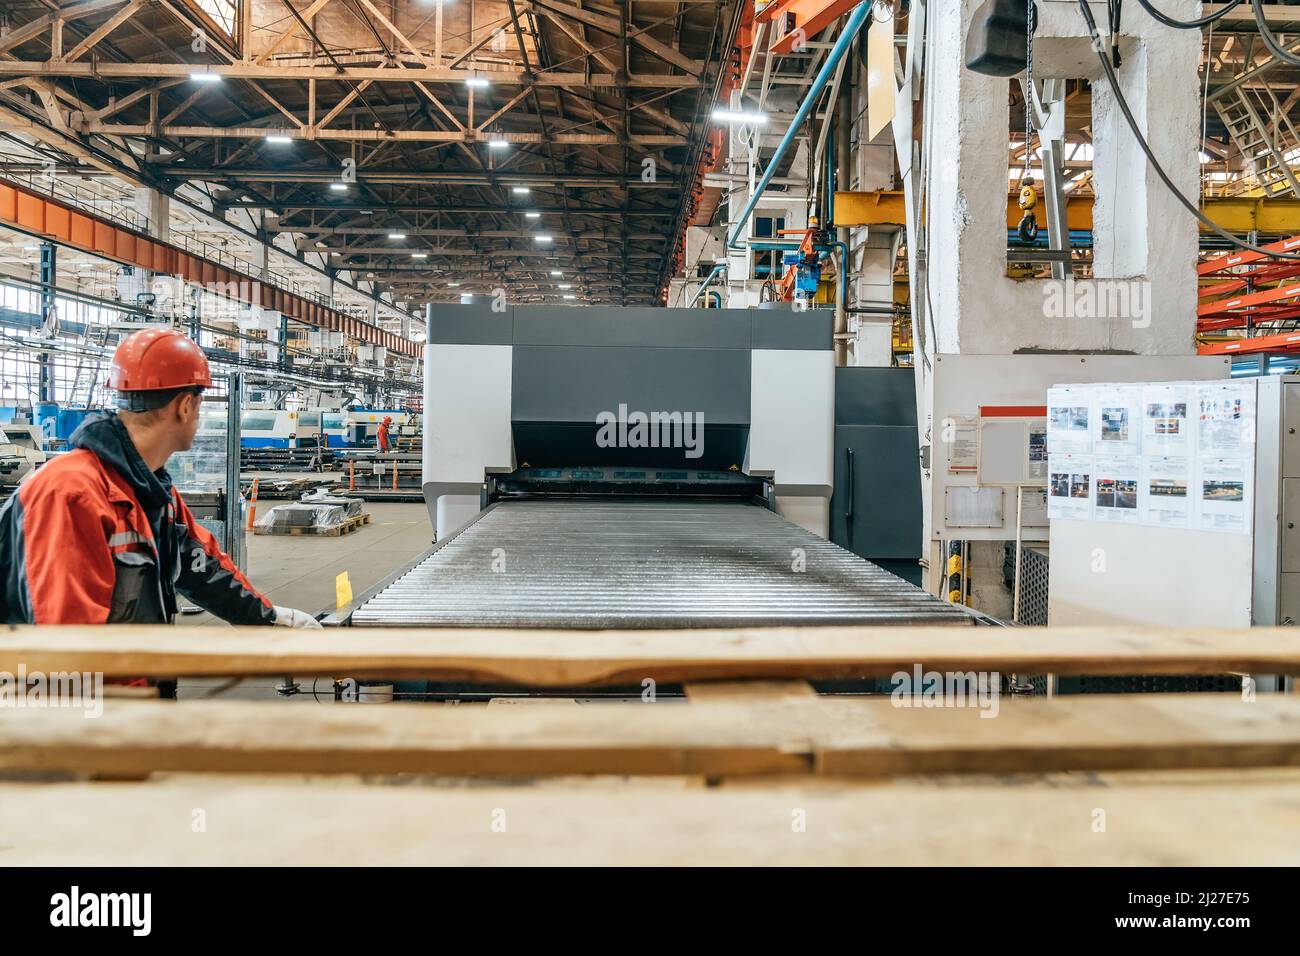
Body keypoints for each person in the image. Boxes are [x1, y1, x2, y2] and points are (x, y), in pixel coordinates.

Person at [0, 327, 320, 629]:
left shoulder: (149, 491)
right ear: (185, 406)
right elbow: (69, 648)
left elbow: (201, 568)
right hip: (77, 686)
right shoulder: (71, 494)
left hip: (131, 680)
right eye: (200, 404)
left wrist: (269, 619)